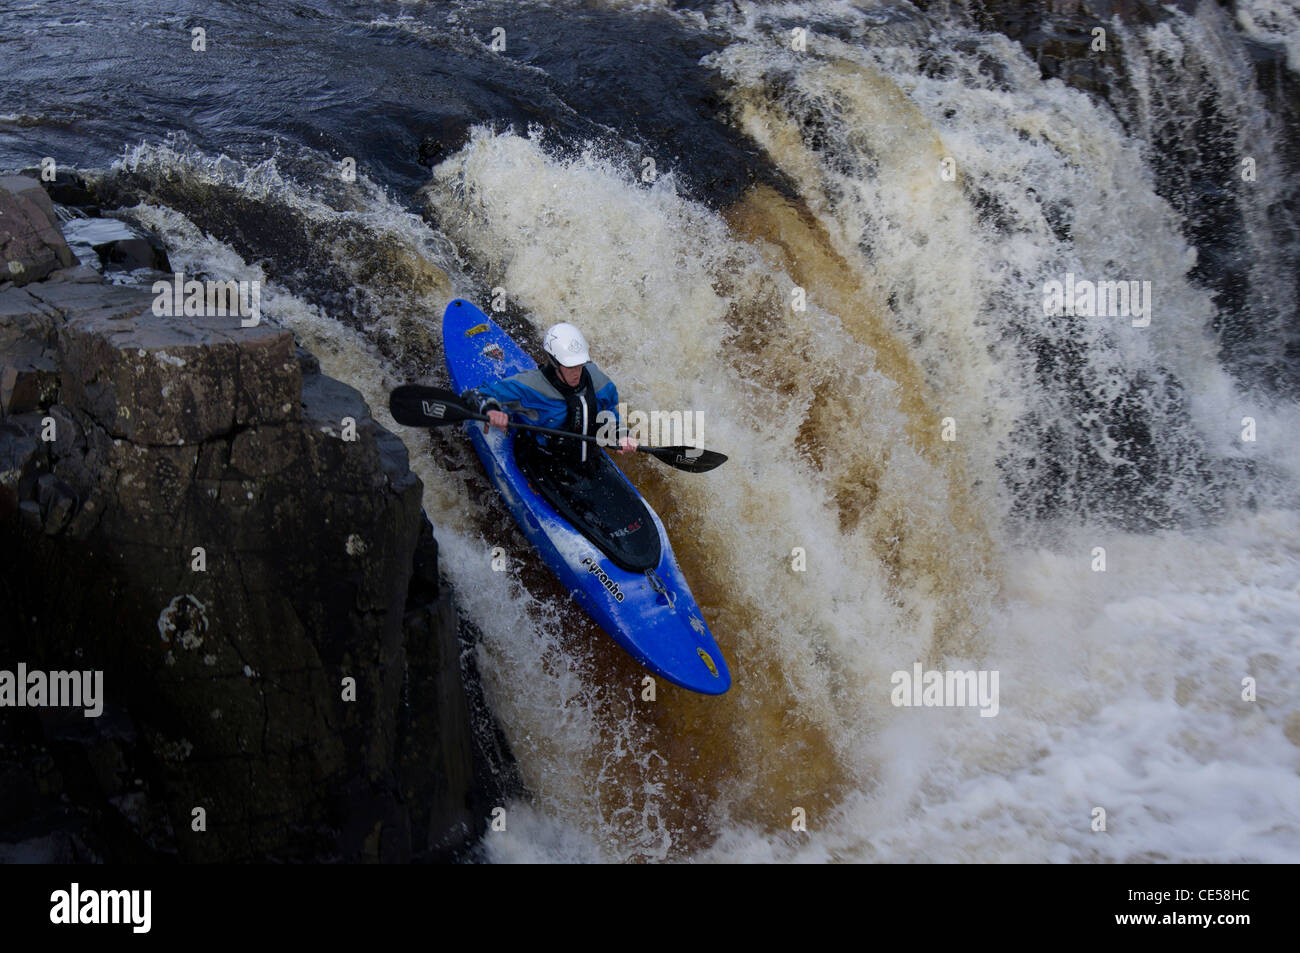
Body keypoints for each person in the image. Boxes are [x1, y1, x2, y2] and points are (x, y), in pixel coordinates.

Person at [462, 322, 638, 474]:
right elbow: (476, 394)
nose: (577, 372)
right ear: (554, 362)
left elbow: (608, 411)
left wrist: (621, 434)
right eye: (570, 367)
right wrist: (490, 409)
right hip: (547, 464)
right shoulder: (532, 386)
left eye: (580, 365)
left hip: (589, 461)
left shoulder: (598, 382)